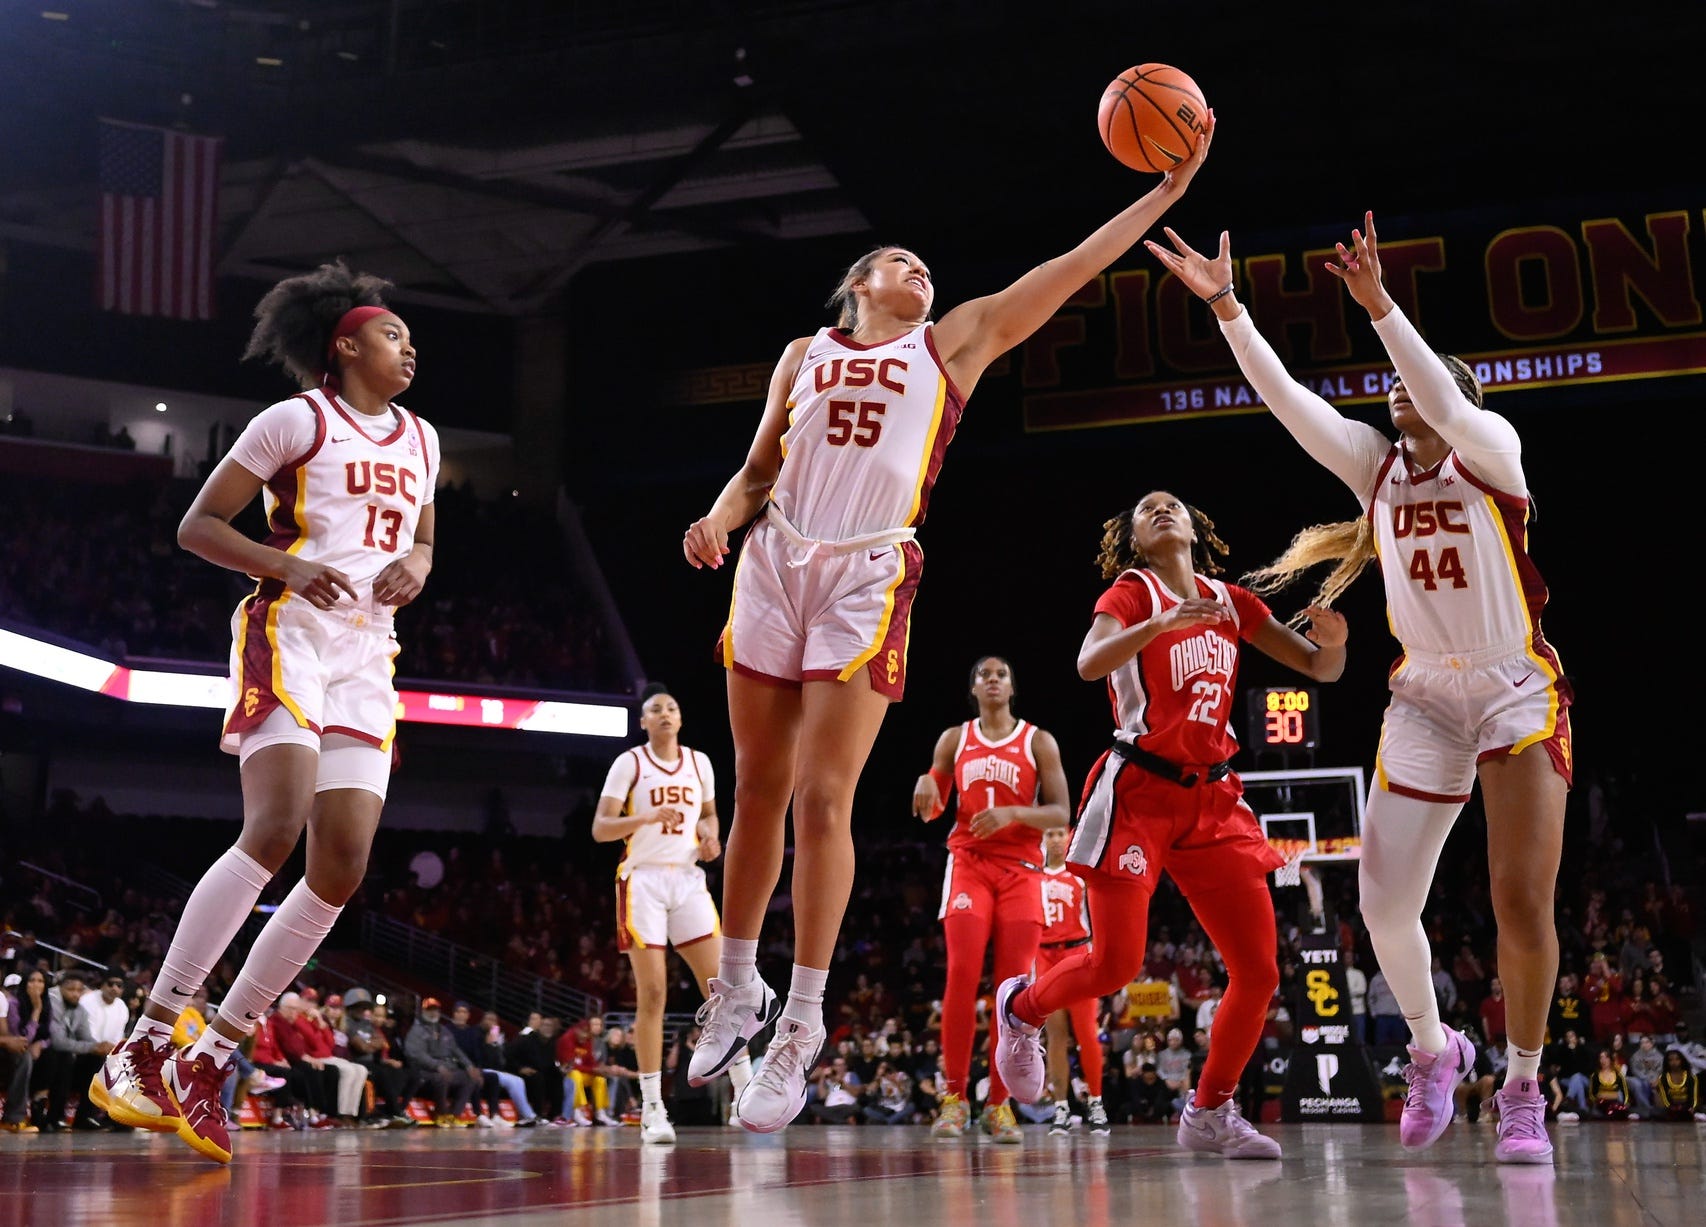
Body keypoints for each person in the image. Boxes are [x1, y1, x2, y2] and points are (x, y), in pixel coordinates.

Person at [680, 116, 1218, 1135]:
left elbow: (1063, 271)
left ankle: (799, 1022)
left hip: (869, 571)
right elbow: (755, 474)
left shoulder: (952, 344)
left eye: (925, 266)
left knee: (821, 799)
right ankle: (737, 985)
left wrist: (1163, 196)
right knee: (755, 785)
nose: (919, 273)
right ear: (857, 285)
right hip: (773, 557)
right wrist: (715, 519)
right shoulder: (802, 354)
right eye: (900, 263)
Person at [1147, 212, 1572, 1165]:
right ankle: (1433, 1050)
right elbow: (1289, 400)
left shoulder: (1489, 446)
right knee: (1382, 903)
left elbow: (1444, 400)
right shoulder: (1375, 467)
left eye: (1412, 384)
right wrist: (1228, 311)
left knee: (1519, 897)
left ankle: (1522, 1086)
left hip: (1513, 686)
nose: (1395, 393)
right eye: (1392, 387)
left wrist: (1380, 305)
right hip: (1422, 695)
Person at [90, 261, 438, 1164]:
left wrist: (423, 565)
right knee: (276, 825)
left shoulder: (425, 439)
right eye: (393, 334)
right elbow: (198, 526)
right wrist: (283, 566)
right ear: (346, 343)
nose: (409, 347)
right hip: (292, 631)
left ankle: (211, 1055)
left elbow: (425, 535)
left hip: (371, 653)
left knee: (343, 864)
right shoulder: (296, 419)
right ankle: (147, 1038)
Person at [992, 489, 1346, 1162]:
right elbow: (1088, 662)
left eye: (1173, 504)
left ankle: (1209, 1109)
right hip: (1139, 789)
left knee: (1259, 970)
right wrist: (1156, 624)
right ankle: (1023, 1007)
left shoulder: (1232, 602)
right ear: (1132, 536)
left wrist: (1336, 645)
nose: (1161, 509)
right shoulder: (1133, 592)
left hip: (1212, 796)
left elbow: (1317, 666)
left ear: (1194, 527)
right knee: (1117, 962)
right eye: (1146, 508)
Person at [910, 656, 1071, 1143]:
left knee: (1013, 989)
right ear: (974, 687)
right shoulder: (954, 738)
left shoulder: (1037, 740)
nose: (994, 679)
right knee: (961, 977)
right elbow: (934, 806)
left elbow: (1061, 810)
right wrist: (926, 786)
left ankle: (999, 1105)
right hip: (969, 866)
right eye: (985, 674)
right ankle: (955, 1098)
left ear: (1012, 687)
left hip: (1022, 870)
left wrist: (1013, 814)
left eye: (1002, 673)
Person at [592, 683, 750, 1144]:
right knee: (654, 993)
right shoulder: (630, 763)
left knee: (725, 989)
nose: (664, 713)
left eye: (672, 707)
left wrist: (710, 837)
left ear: (680, 719)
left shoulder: (700, 763)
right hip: (642, 879)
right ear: (643, 722)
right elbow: (601, 829)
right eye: (655, 709)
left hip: (686, 878)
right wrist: (643, 819)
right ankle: (653, 1109)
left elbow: (710, 818)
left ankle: (744, 1091)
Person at [1032, 825, 1110, 1137]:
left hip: (1078, 955)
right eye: (1048, 834)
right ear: (1043, 840)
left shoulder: (1082, 875)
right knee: (1055, 1037)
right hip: (1044, 957)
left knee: (1087, 1034)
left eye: (1059, 834)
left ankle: (1096, 1102)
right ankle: (1061, 1107)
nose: (1054, 839)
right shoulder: (1032, 878)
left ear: (1069, 838)